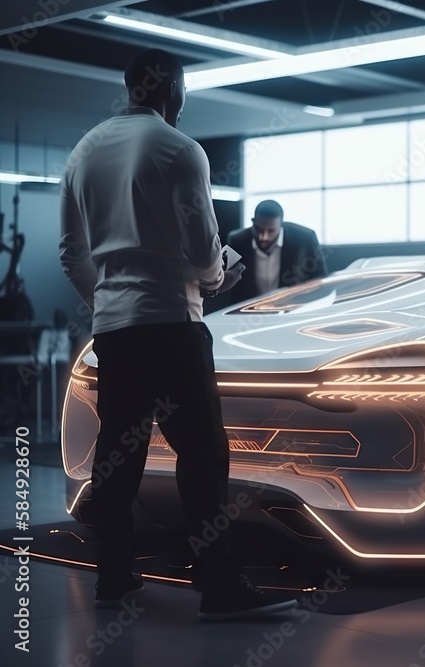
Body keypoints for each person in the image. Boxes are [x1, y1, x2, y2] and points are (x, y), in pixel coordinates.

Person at [59, 48, 298, 621]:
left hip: (115, 332)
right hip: (172, 327)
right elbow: (200, 252)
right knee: (202, 458)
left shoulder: (82, 152)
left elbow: (72, 254)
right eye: (184, 90)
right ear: (172, 88)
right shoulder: (180, 150)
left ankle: (114, 580)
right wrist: (216, 276)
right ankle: (219, 588)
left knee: (117, 457)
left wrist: (111, 303)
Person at [224, 200, 328, 306]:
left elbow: (320, 280)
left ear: (281, 225)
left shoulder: (306, 238)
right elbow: (226, 285)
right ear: (253, 221)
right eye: (258, 229)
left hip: (294, 310)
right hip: (247, 314)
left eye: (271, 231)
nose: (263, 237)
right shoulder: (236, 240)